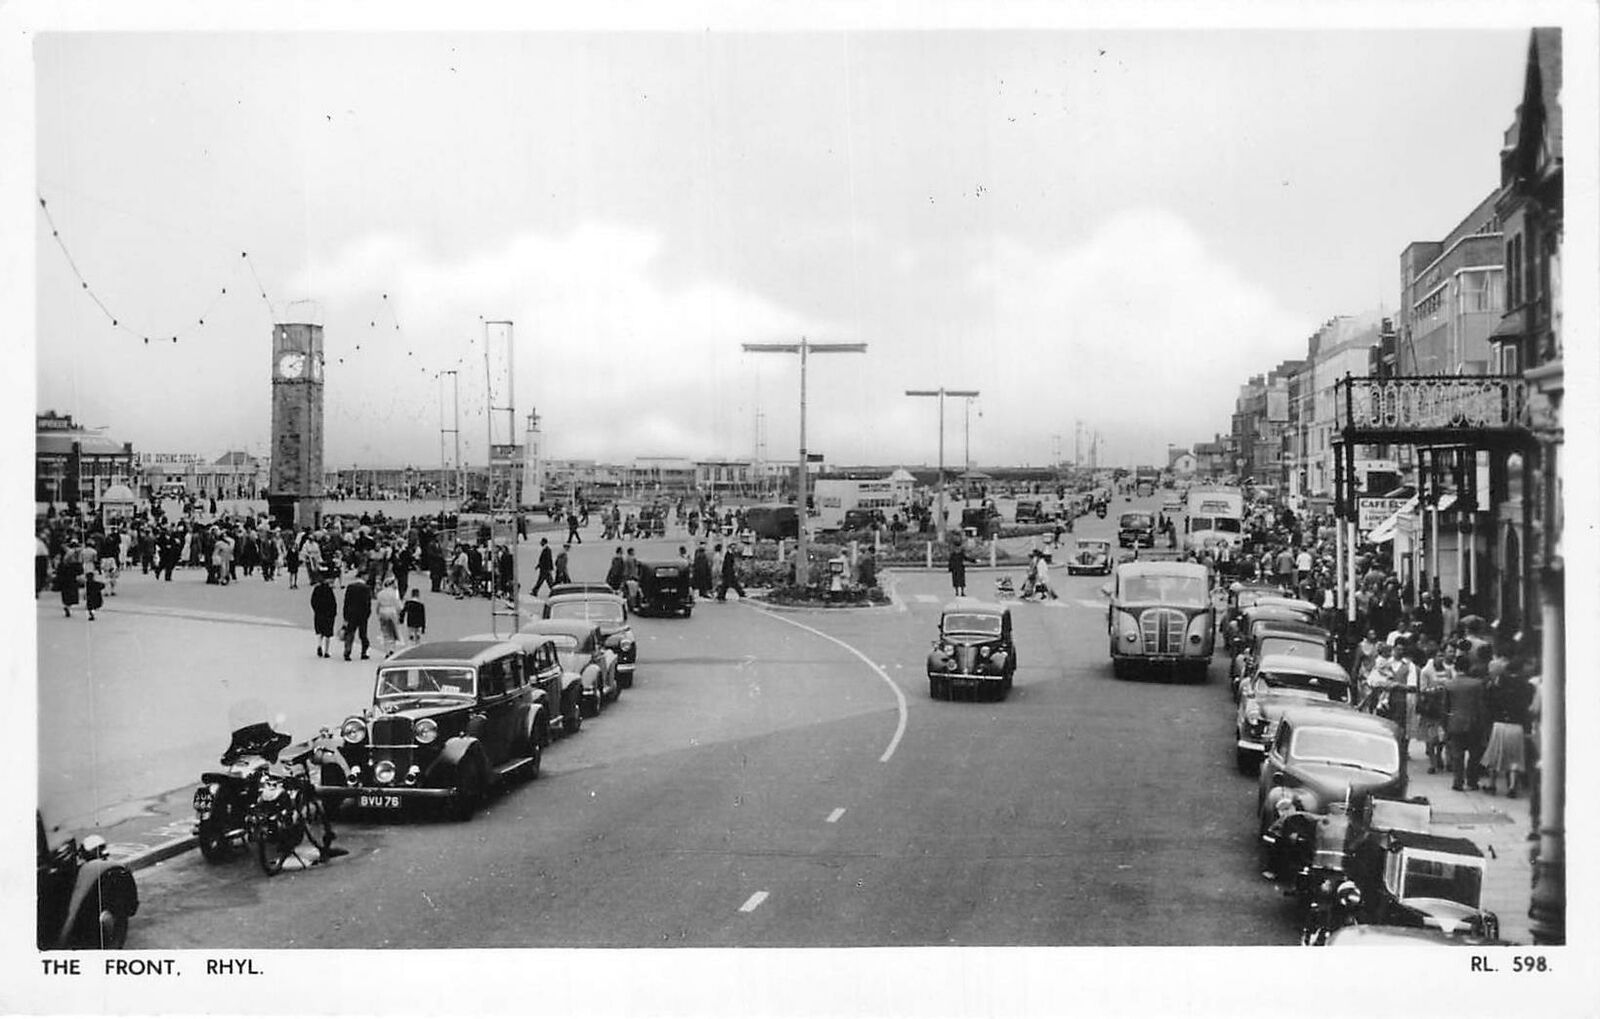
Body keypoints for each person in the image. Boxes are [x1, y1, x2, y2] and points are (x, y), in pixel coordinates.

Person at [1442, 655, 1487, 792]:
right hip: (1473, 722)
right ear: (1469, 667)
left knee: (1457, 754)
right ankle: (1472, 780)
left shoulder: (1449, 684)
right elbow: (1481, 706)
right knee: (1474, 754)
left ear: (1455, 667)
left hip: (1455, 722)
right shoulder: (1477, 684)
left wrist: (1445, 725)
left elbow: (1445, 707)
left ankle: (1458, 781)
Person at [341, 575, 373, 661]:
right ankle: (364, 652)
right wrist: (367, 614)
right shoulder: (366, 588)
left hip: (351, 614)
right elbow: (368, 603)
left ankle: (347, 651)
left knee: (350, 633)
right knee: (363, 634)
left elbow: (346, 602)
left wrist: (345, 615)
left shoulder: (350, 587)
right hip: (362, 615)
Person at [311, 576, 338, 658]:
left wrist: (316, 610)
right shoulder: (329, 591)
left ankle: (319, 645)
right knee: (328, 634)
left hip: (319, 613)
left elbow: (312, 601)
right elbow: (333, 603)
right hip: (328, 614)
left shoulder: (316, 589)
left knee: (319, 631)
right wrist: (334, 613)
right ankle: (326, 651)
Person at [55, 546, 81, 618]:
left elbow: (58, 572)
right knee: (72, 595)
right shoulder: (73, 563)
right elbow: (79, 571)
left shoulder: (62, 564)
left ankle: (67, 606)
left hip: (64, 581)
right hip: (72, 581)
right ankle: (68, 607)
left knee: (65, 595)